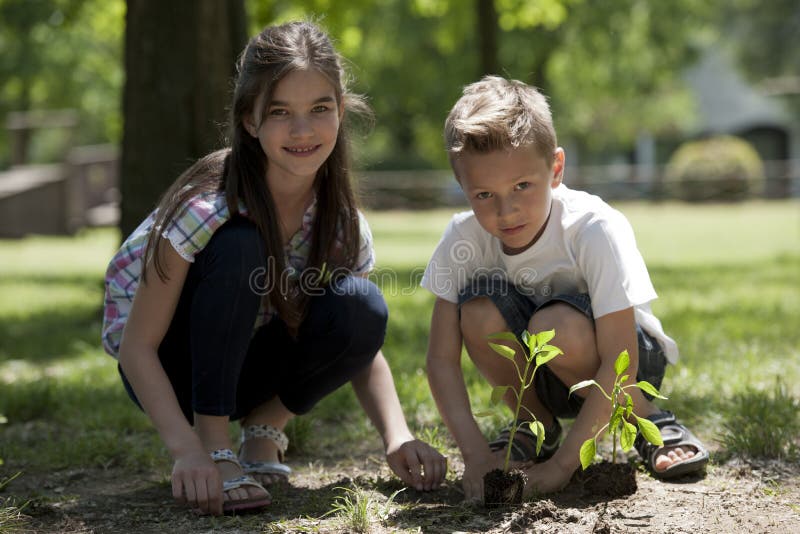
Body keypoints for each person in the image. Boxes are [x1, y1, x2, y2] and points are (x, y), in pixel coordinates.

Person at [102, 21, 446, 516]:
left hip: (250, 365)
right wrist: (192, 452)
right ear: (249, 120)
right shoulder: (208, 206)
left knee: (361, 304)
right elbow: (137, 348)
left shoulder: (342, 224)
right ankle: (218, 444)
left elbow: (359, 342)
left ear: (341, 111)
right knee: (243, 246)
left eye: (319, 109)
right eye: (281, 112)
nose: (302, 131)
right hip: (172, 370)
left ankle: (263, 432)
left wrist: (397, 436)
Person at [421, 76, 709, 502]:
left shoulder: (593, 227)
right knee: (477, 308)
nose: (506, 210)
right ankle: (533, 427)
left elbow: (620, 359)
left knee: (552, 324)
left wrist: (561, 469)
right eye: (483, 194)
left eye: (522, 186)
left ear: (555, 169)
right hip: (538, 378)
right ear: (463, 188)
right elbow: (441, 361)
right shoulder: (463, 238)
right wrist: (475, 455)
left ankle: (644, 419)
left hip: (624, 365)